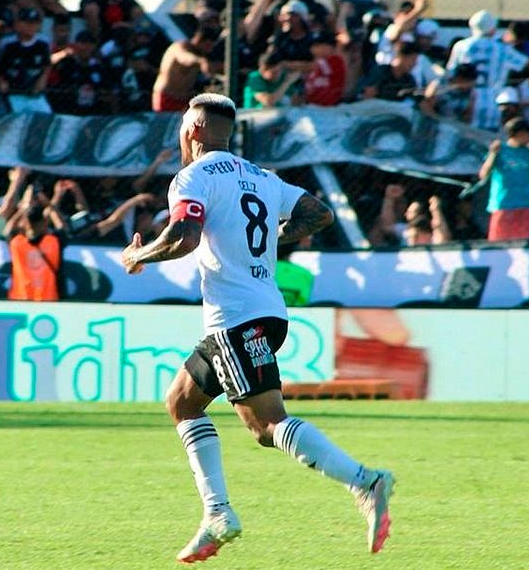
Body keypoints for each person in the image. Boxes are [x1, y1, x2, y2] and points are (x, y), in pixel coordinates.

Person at [120, 93, 393, 563]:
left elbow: (184, 237)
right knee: (182, 402)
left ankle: (365, 481)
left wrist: (138, 255)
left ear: (196, 131)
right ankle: (216, 514)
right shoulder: (261, 177)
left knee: (267, 426)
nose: (183, 135)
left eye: (185, 127)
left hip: (237, 319)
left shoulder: (193, 177)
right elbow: (318, 214)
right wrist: (270, 238)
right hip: (260, 312)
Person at [446, 10, 529, 131]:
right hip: (491, 100)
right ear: (493, 29)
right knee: (488, 138)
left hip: (465, 100)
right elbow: (528, 63)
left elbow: (450, 72)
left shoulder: (460, 46)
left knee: (464, 136)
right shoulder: (502, 49)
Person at [479, 118, 529, 242]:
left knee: (525, 240)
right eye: (528, 134)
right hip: (503, 204)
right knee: (499, 242)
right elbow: (484, 174)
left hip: (525, 204)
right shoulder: (500, 150)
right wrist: (492, 154)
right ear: (520, 134)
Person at [152, 25, 218, 113]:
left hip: (184, 100)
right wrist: (200, 61)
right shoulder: (179, 47)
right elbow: (183, 58)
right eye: (208, 46)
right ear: (200, 40)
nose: (210, 50)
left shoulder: (201, 54)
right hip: (167, 98)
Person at [8, 203, 62, 301]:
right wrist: (51, 207)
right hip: (47, 298)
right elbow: (61, 228)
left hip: (21, 297)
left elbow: (9, 230)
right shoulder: (53, 242)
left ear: (26, 223)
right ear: (44, 222)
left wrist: (21, 211)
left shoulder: (17, 243)